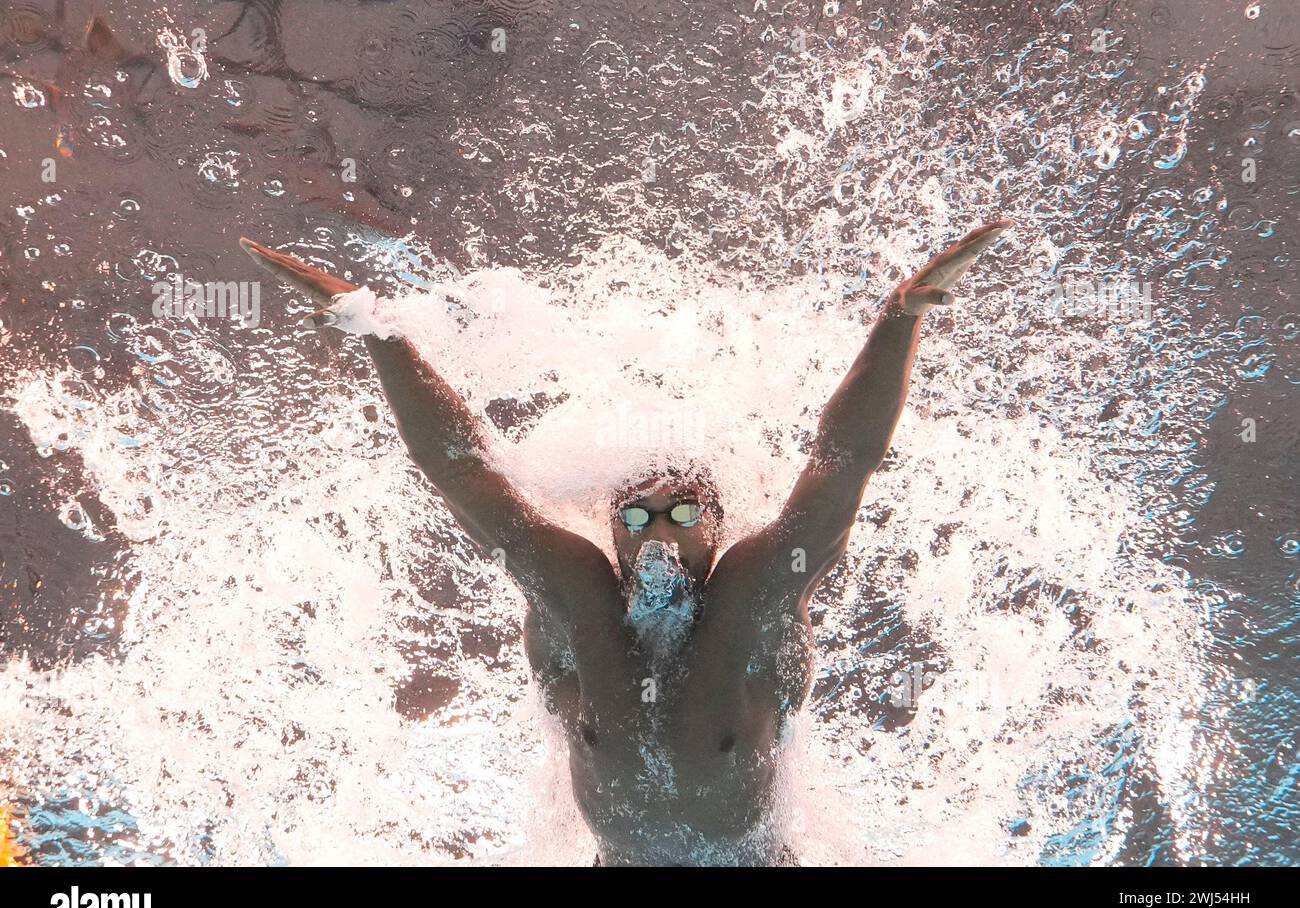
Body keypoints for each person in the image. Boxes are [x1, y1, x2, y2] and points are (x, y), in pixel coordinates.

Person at [240, 219, 1010, 864]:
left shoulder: (754, 593)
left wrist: (899, 319)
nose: (658, 536)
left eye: (680, 514)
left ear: (717, 527)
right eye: (635, 520)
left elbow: (840, 469)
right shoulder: (574, 593)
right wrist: (378, 329)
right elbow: (460, 474)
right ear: (609, 532)